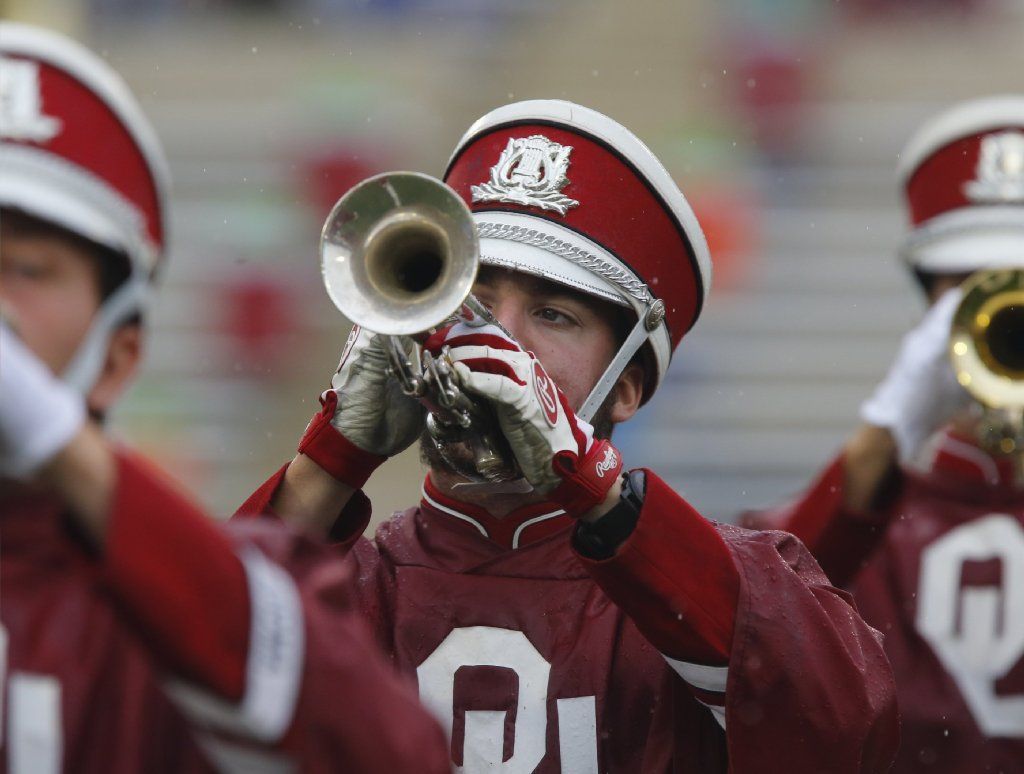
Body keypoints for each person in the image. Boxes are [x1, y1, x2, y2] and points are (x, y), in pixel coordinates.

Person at [238, 99, 899, 772]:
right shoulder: (343, 587)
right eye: (475, 302)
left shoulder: (718, 587)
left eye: (552, 315)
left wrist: (596, 484)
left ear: (630, 387)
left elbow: (845, 729)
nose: (497, 338)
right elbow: (167, 699)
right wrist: (333, 455)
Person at [0, 21, 450, 773]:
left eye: (29, 269)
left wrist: (56, 441)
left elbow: (387, 752)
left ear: (119, 356)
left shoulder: (163, 608)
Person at [742, 96, 1024, 772]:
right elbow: (756, 646)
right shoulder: (853, 523)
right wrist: (886, 429)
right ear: (932, 309)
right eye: (970, 289)